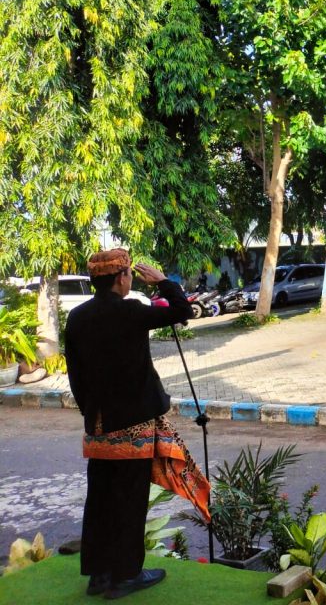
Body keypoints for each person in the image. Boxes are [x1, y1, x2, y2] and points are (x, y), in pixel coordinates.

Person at [65, 249, 207, 599]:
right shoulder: (131, 311)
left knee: (99, 500)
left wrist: (90, 411)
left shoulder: (78, 316)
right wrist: (163, 282)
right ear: (121, 277)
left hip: (97, 427)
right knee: (129, 500)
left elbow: (75, 374)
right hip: (133, 425)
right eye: (128, 274)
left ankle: (98, 575)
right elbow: (182, 311)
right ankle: (127, 575)